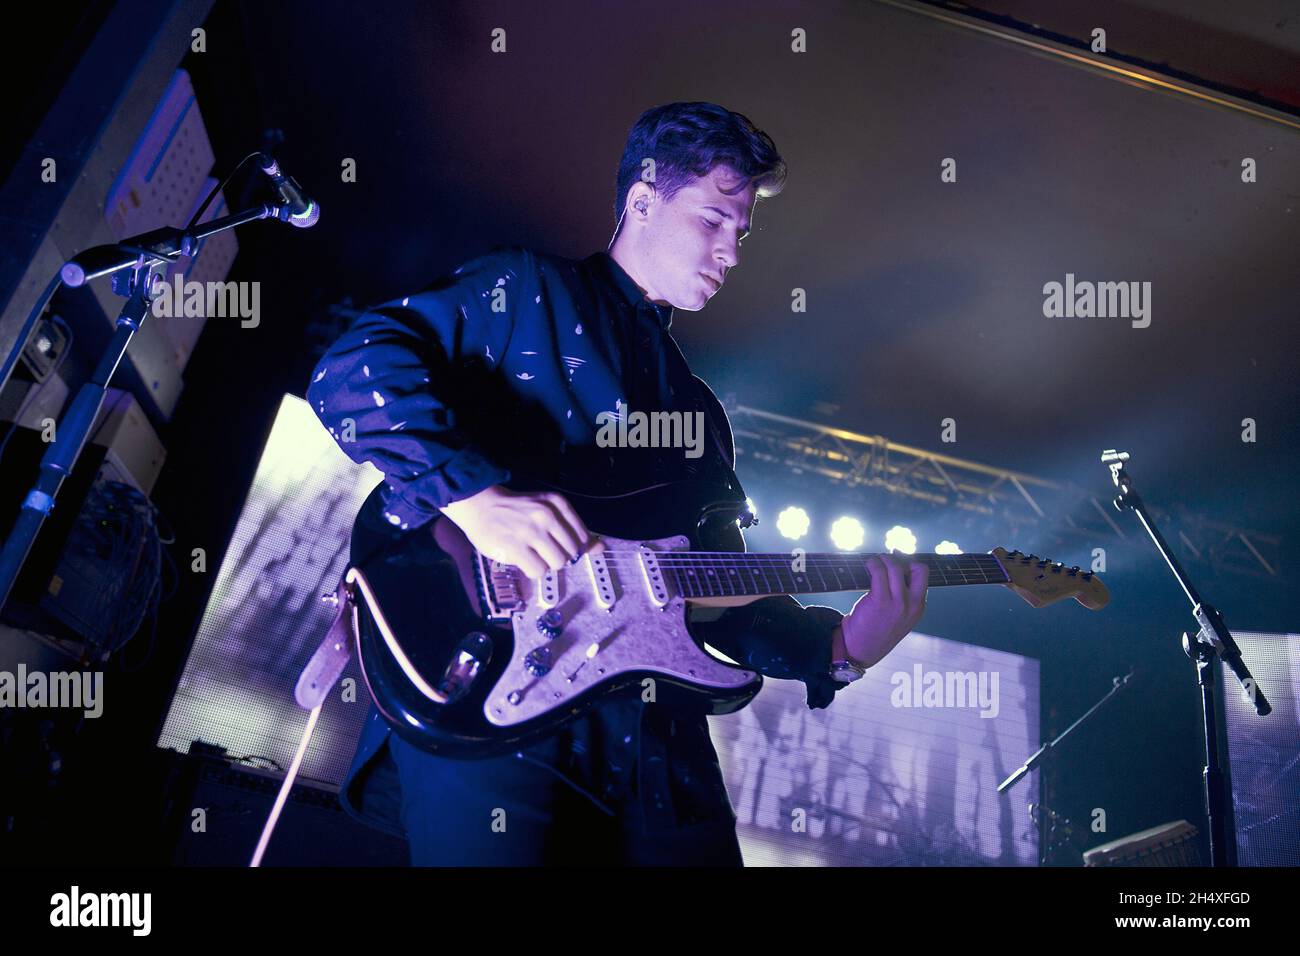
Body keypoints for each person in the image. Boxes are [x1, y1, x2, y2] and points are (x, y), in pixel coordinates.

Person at [306, 101, 929, 865]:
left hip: (663, 747)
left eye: (742, 232)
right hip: (495, 692)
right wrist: (477, 502)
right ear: (642, 200)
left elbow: (719, 598)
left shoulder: (700, 411)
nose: (731, 250)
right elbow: (355, 370)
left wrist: (841, 646)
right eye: (712, 220)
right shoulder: (526, 290)